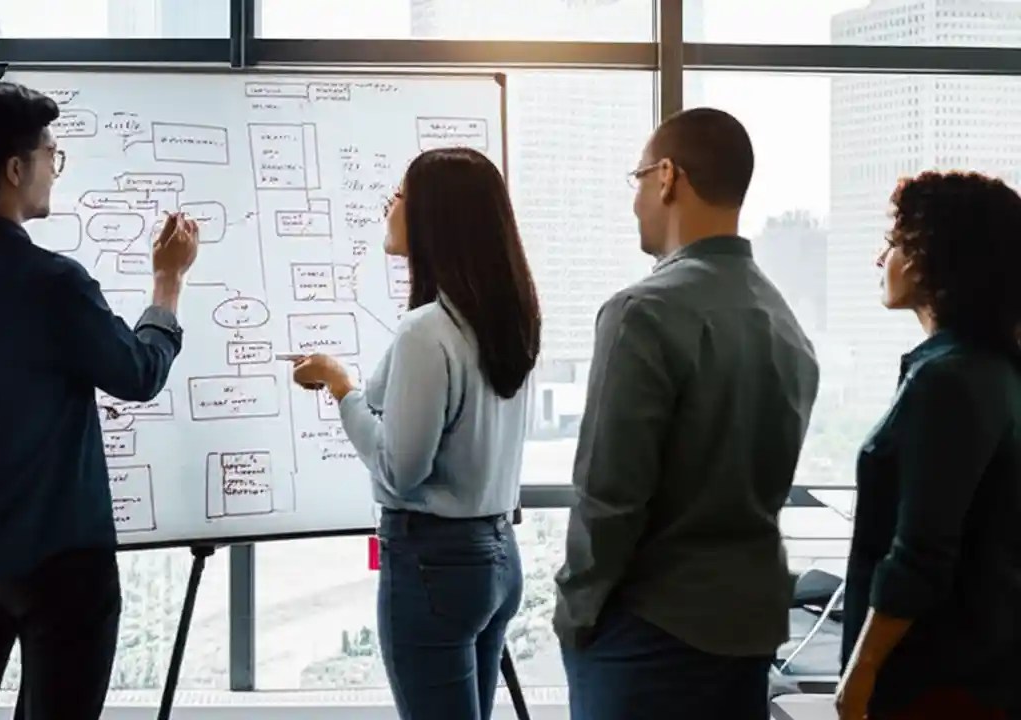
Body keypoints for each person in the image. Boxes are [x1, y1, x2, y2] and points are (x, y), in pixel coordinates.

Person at [0, 79, 199, 720]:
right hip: (60, 561)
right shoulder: (51, 283)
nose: (55, 171)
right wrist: (167, 283)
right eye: (52, 156)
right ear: (16, 167)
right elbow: (138, 373)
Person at [553, 107, 820, 720]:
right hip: (748, 637)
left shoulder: (640, 313)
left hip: (646, 638)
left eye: (638, 179)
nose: (637, 200)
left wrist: (575, 614)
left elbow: (607, 498)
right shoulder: (784, 323)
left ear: (668, 176)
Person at [288, 146, 540, 719]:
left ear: (432, 218)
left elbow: (401, 470)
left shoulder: (427, 332)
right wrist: (343, 376)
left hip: (434, 564)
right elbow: (387, 394)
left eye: (399, 196)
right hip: (497, 556)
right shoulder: (504, 317)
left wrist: (338, 390)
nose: (389, 206)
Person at [835, 171, 1021, 720]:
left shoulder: (948, 380)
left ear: (928, 259)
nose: (880, 260)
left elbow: (919, 555)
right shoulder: (995, 371)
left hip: (935, 683)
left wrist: (861, 671)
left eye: (893, 243)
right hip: (987, 671)